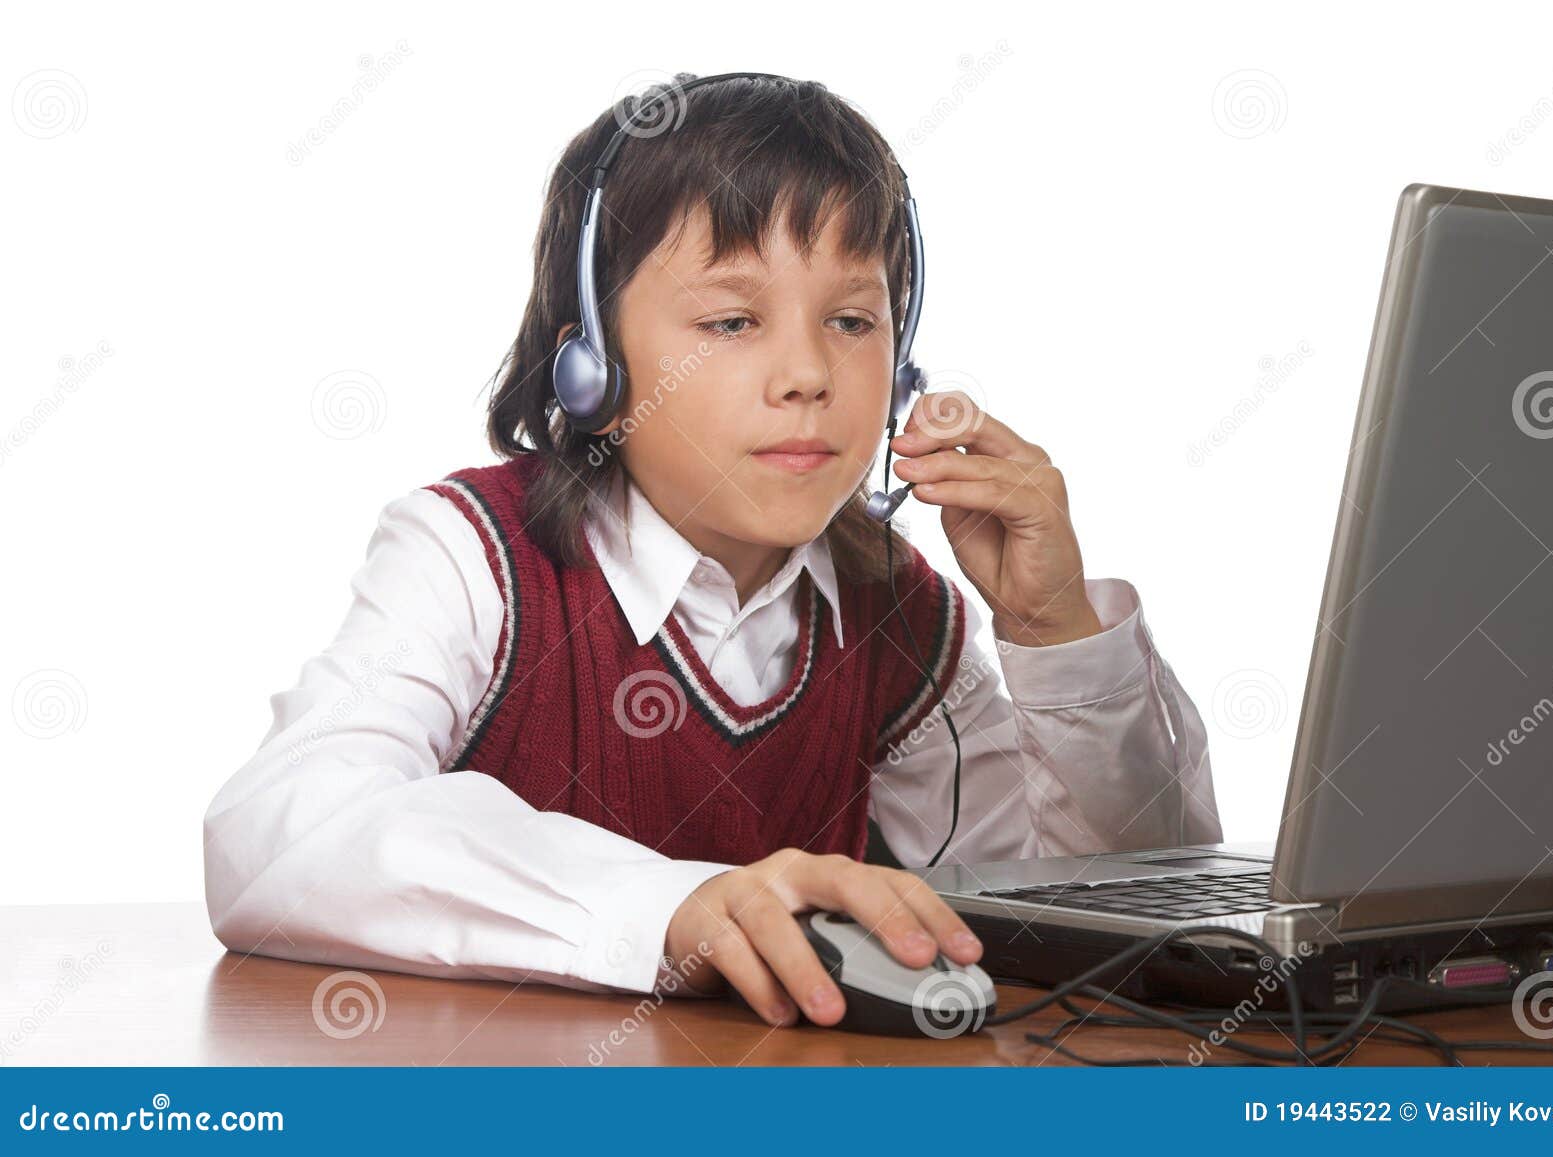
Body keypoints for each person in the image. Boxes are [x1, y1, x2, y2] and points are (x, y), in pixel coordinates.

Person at [203, 73, 1221, 1031]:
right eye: (732, 320)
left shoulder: (903, 614)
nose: (808, 372)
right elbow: (279, 834)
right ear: (591, 365)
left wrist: (1054, 634)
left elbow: (1111, 927)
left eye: (853, 320)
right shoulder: (473, 554)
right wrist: (677, 906)